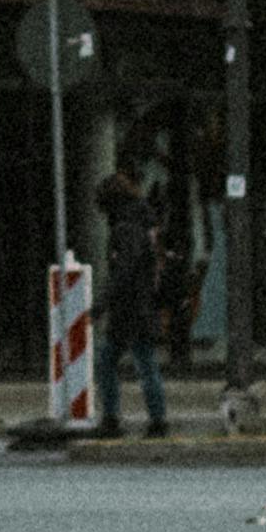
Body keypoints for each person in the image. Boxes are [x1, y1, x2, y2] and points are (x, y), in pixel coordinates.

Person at [96, 159, 169, 436]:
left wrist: (102, 302)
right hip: (141, 305)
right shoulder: (144, 223)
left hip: (130, 308)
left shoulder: (125, 229)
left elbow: (124, 270)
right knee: (144, 363)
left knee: (113, 363)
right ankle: (156, 420)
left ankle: (116, 419)